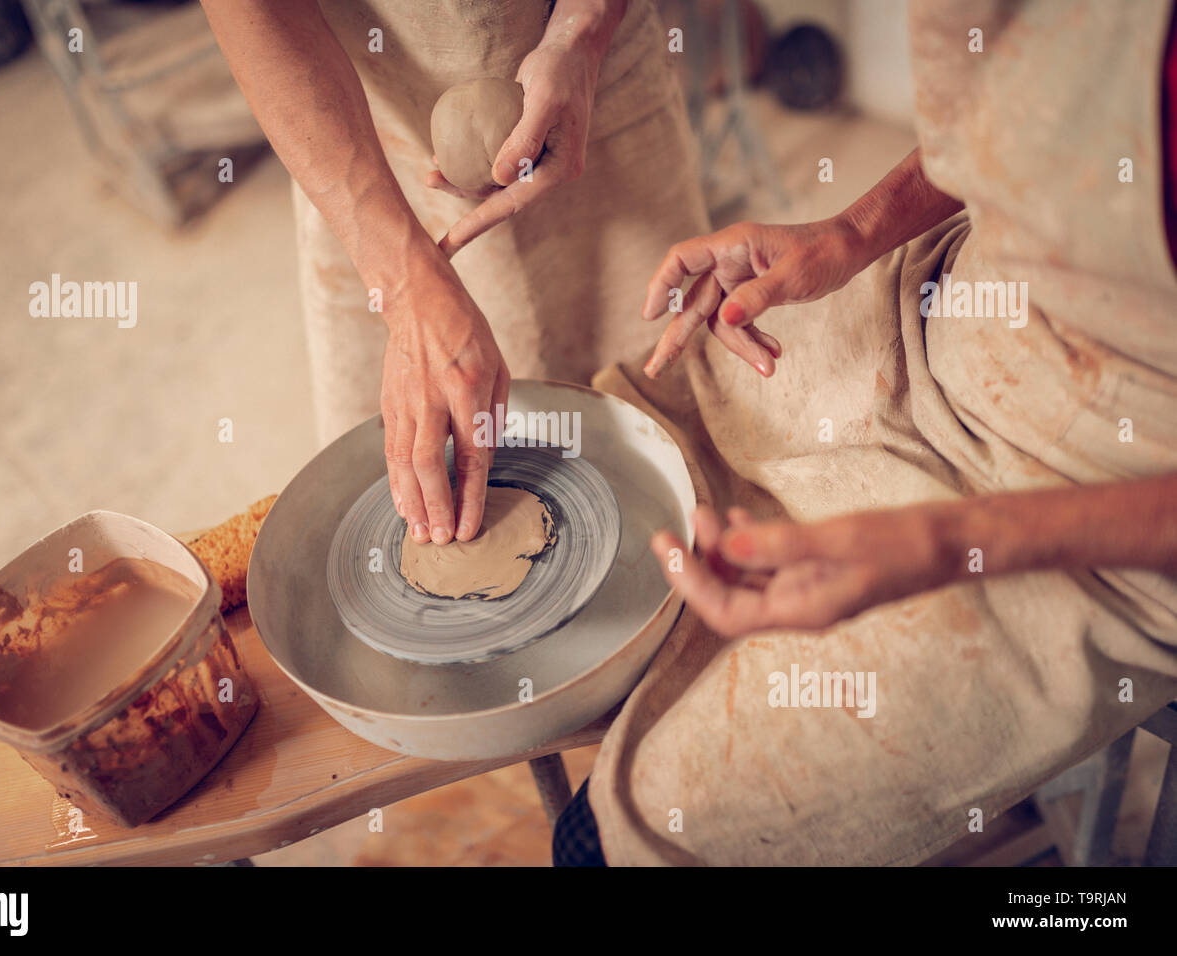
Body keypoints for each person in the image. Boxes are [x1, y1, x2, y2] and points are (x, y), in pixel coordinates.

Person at [558, 0, 1177, 866]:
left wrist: (943, 540)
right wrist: (852, 232)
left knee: (623, 835)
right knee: (635, 434)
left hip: (1112, 503)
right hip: (969, 314)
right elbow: (1036, 124)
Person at [200, 0, 709, 546]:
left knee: (665, 428)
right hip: (358, 136)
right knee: (424, 445)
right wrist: (401, 284)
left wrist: (578, 37)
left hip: (591, 82)